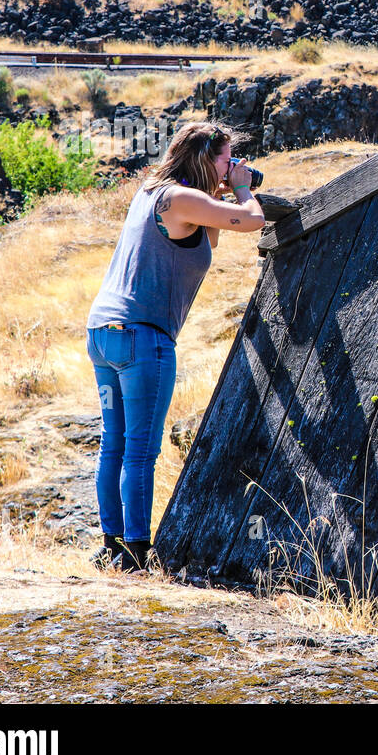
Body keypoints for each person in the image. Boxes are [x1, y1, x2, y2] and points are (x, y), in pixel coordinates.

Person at [85, 122, 266, 572]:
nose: (234, 166)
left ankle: (112, 546)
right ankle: (135, 552)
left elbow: (207, 240)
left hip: (104, 335)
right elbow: (254, 220)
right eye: (227, 158)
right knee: (141, 450)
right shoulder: (183, 198)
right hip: (144, 337)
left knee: (115, 444)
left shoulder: (152, 191)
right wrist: (242, 190)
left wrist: (220, 191)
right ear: (206, 158)